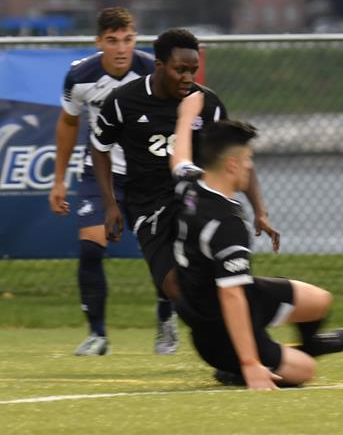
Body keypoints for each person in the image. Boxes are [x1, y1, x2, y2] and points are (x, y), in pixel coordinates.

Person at [89, 28, 279, 320]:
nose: (188, 78)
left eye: (193, 70)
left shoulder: (208, 104)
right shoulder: (123, 101)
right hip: (148, 203)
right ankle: (213, 332)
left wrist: (260, 211)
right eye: (180, 70)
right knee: (173, 288)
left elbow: (237, 159)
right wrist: (111, 203)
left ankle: (236, 341)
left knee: (221, 278)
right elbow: (99, 147)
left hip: (196, 201)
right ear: (160, 65)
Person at [174, 119, 343, 390]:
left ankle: (309, 345)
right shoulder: (227, 224)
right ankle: (237, 368)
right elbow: (231, 295)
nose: (251, 166)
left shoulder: (189, 184)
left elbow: (178, 157)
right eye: (248, 158)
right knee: (305, 371)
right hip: (219, 332)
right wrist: (250, 364)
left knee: (320, 301)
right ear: (232, 165)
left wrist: (186, 112)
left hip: (241, 299)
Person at [47, 7, 162, 356]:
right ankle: (97, 335)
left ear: (135, 39)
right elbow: (68, 124)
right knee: (89, 248)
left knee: (162, 253)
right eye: (112, 41)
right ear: (99, 42)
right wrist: (58, 181)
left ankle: (166, 325)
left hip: (148, 175)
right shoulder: (80, 76)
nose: (121, 48)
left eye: (127, 39)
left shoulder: (153, 73)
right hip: (101, 173)